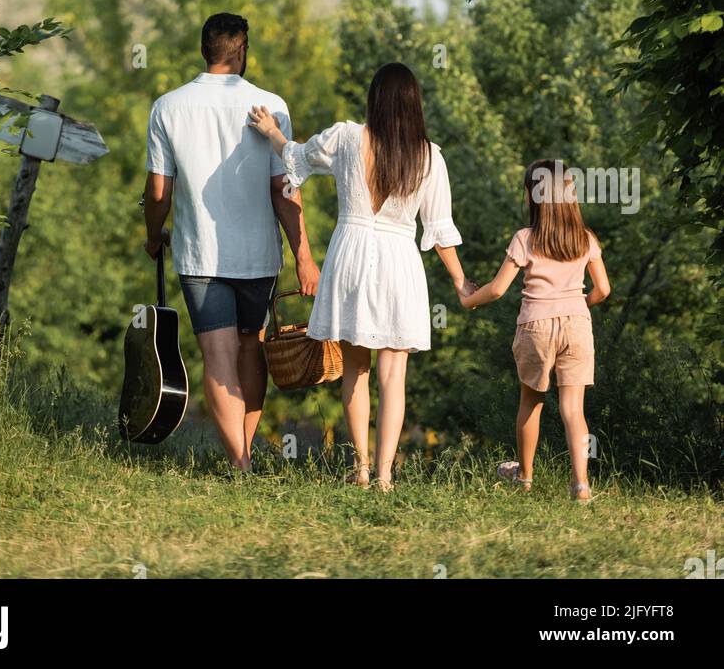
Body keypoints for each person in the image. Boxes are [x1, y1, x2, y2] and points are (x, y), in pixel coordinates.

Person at [248, 62, 471, 491]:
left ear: (375, 99)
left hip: (350, 254)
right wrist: (461, 282)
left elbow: (295, 156)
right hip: (399, 262)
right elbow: (440, 230)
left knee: (355, 370)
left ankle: (361, 469)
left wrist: (270, 129)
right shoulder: (429, 156)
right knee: (393, 376)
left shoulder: (348, 137)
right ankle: (386, 474)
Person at [142, 13, 320, 471]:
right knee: (249, 347)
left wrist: (152, 234)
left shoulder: (168, 107)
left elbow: (158, 191)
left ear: (206, 49)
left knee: (216, 355)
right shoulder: (270, 104)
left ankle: (239, 464)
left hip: (199, 254)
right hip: (257, 254)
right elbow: (284, 191)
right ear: (241, 49)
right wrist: (304, 255)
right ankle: (243, 454)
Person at [460, 159, 611, 501]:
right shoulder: (585, 238)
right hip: (577, 325)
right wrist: (578, 305)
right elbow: (603, 290)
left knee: (532, 401)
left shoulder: (525, 238)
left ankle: (524, 477)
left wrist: (468, 299)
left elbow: (498, 289)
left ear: (533, 196)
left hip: (536, 326)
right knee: (574, 409)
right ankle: (581, 484)